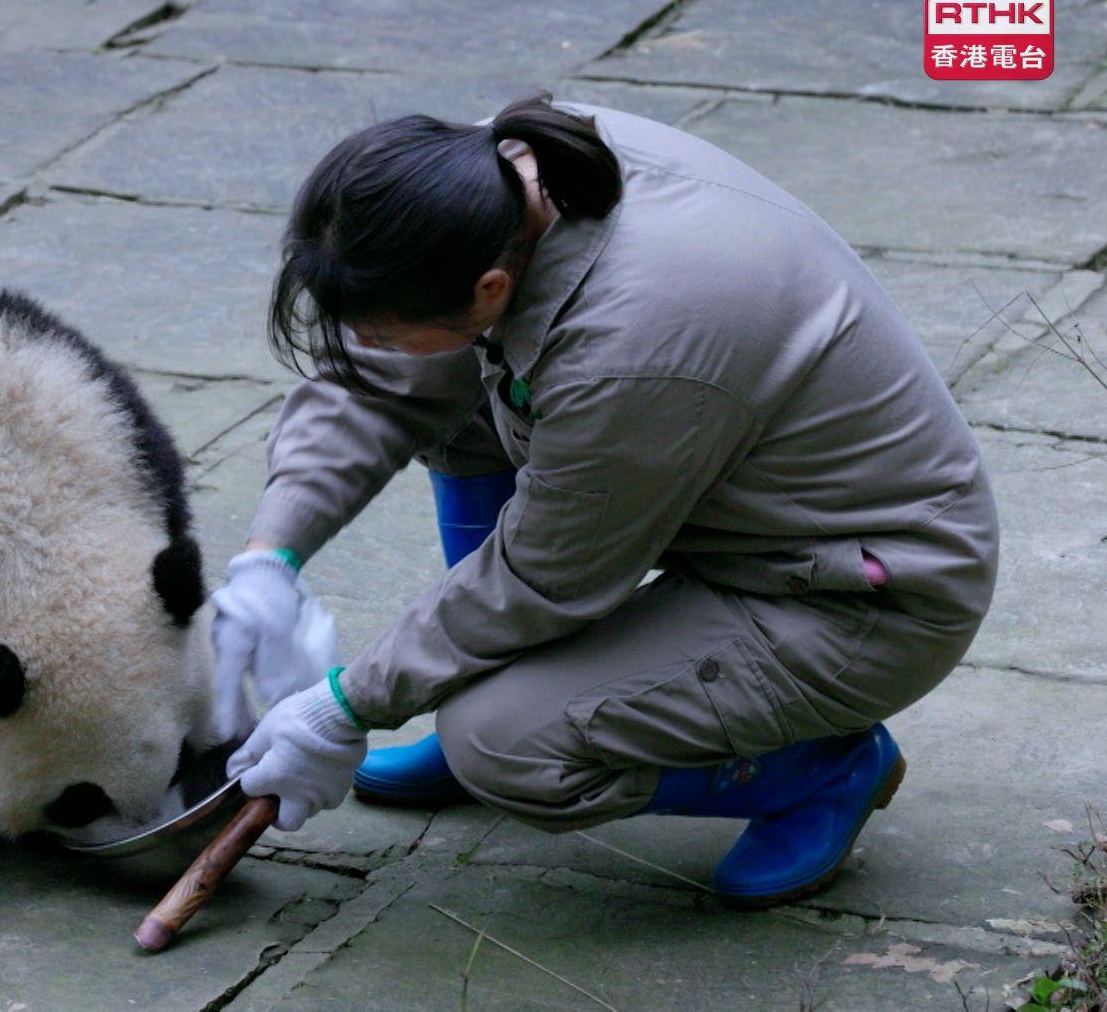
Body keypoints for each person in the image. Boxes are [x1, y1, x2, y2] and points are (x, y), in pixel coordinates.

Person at [213, 92, 998, 908]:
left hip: (854, 596)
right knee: (448, 391)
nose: (364, 348)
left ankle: (820, 770)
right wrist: (271, 556)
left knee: (501, 744)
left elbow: (546, 577)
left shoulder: (633, 346)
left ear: (486, 289)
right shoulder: (500, 175)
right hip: (714, 500)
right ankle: (475, 679)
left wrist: (349, 703)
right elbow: (380, 384)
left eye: (373, 329)